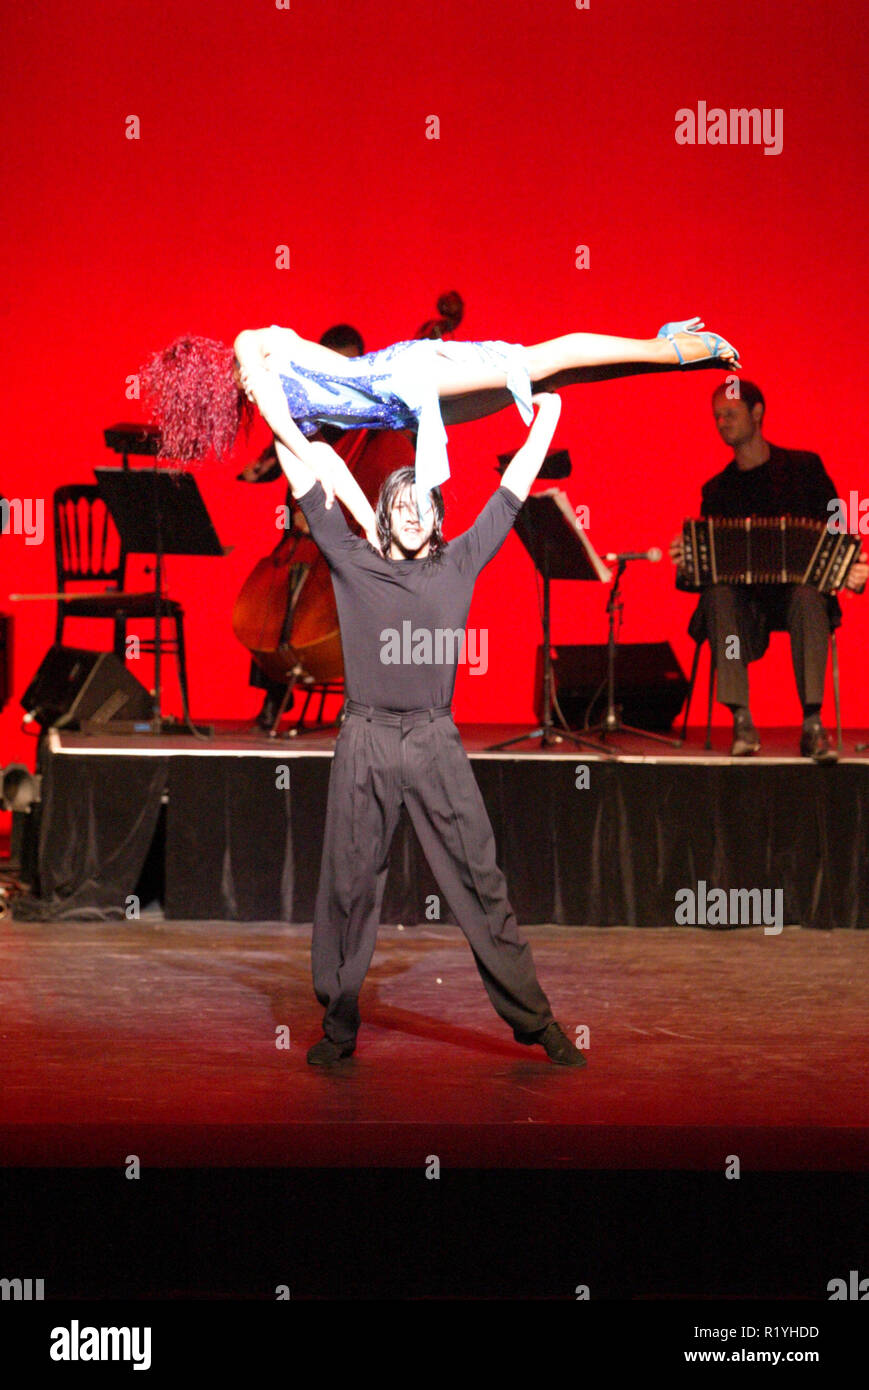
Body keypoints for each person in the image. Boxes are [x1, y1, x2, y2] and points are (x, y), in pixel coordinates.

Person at [272, 391, 586, 1066]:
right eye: (401, 502)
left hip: (434, 742)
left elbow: (512, 488)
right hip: (365, 739)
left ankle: (534, 1020)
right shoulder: (354, 563)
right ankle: (339, 1024)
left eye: (425, 502)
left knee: (480, 879)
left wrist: (550, 416)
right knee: (348, 884)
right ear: (385, 516)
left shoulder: (457, 564)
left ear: (438, 518)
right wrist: (284, 399)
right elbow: (297, 469)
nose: (414, 511)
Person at [143, 316, 740, 507]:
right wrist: (375, 535)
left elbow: (284, 422)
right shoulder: (275, 410)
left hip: (407, 372)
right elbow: (330, 468)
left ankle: (669, 347)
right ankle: (668, 360)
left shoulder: (253, 348)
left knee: (535, 362)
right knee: (562, 376)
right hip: (406, 409)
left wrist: (293, 444)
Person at [669, 380, 868, 760]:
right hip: (746, 615)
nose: (722, 422)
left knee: (810, 595)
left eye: (730, 413)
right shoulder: (717, 490)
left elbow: (840, 529)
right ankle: (741, 718)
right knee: (719, 595)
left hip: (797, 602)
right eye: (717, 417)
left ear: (757, 413)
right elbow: (708, 566)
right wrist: (690, 557)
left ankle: (812, 722)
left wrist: (851, 573)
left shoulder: (805, 469)